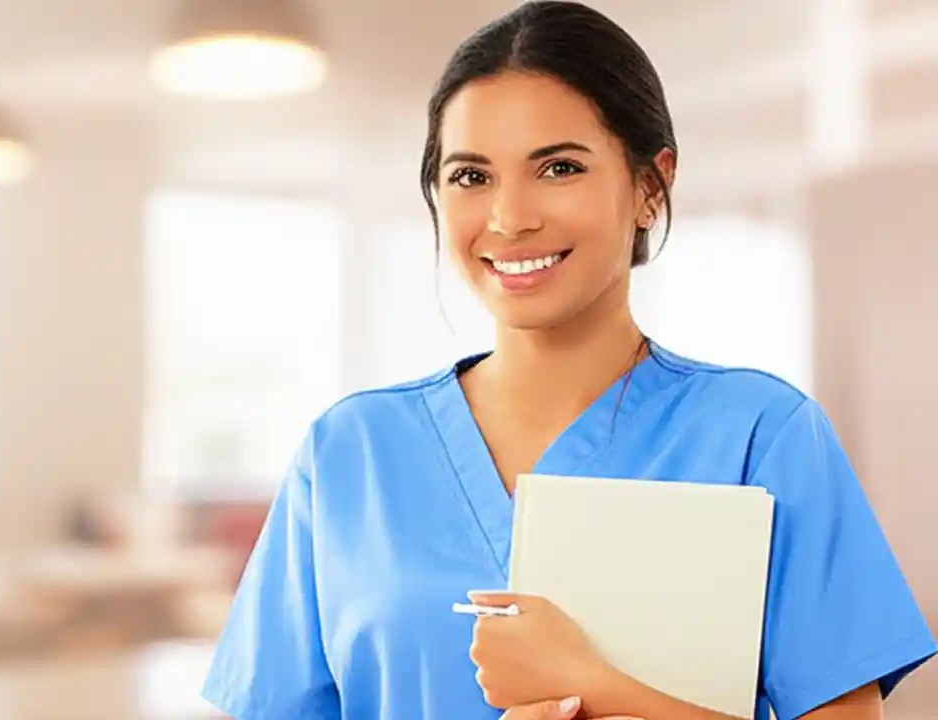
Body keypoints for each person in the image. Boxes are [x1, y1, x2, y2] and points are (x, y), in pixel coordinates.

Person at [199, 2, 937, 719]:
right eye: (470, 176)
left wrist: (595, 683)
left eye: (558, 168)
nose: (510, 217)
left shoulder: (760, 437)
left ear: (650, 186)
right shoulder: (348, 453)